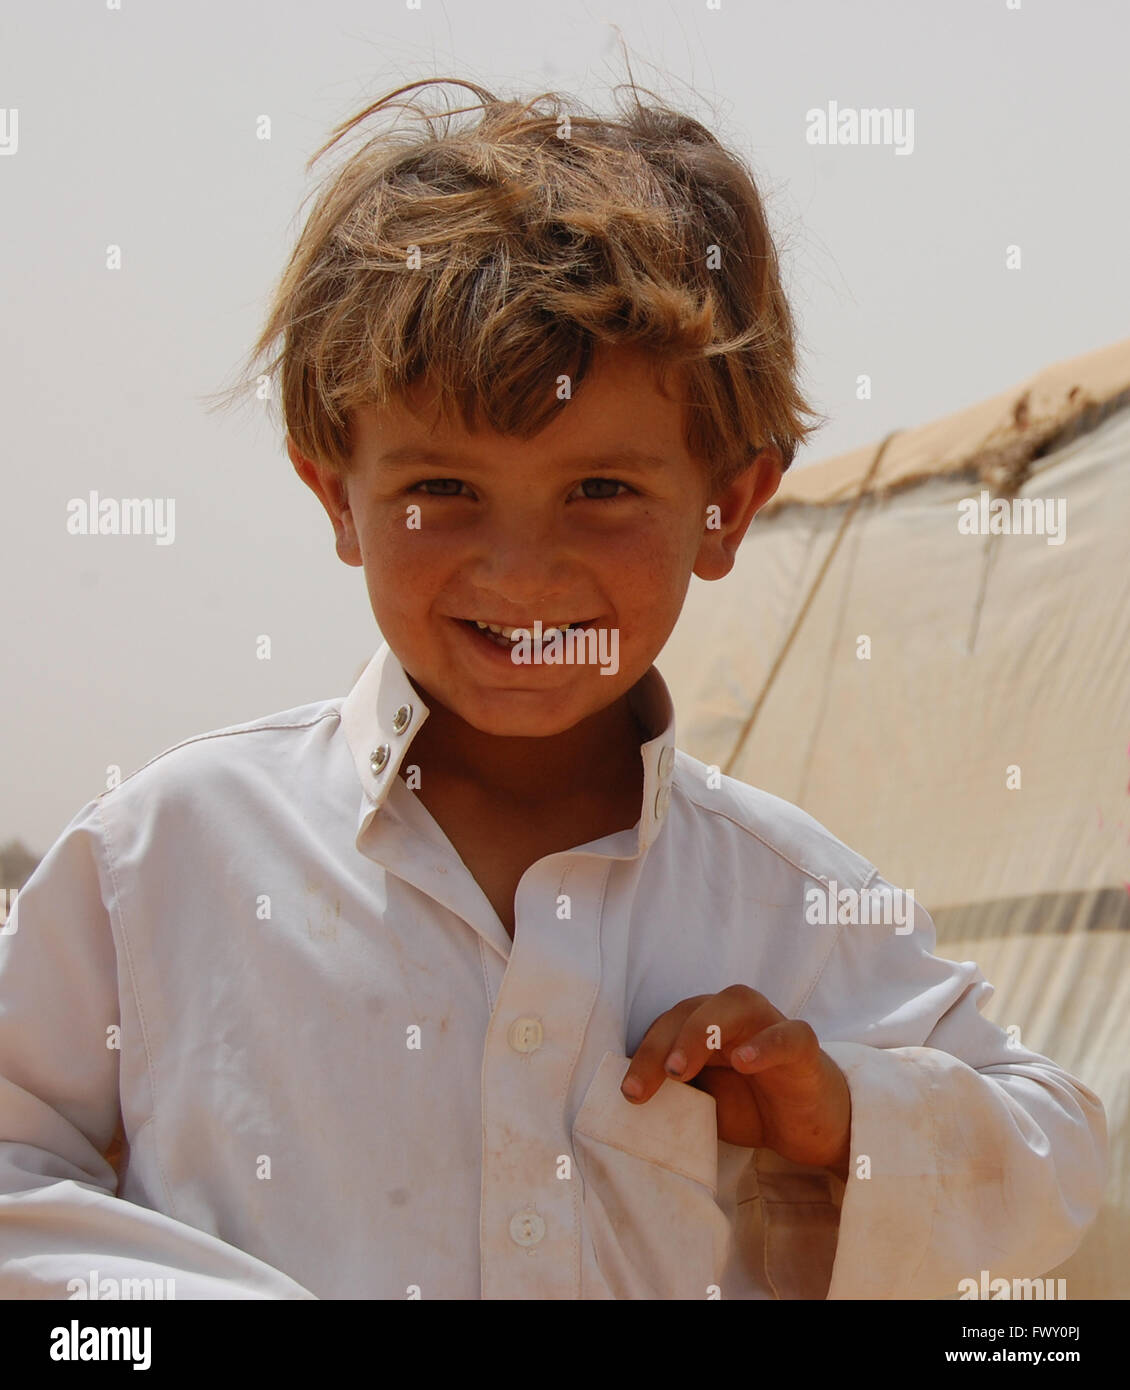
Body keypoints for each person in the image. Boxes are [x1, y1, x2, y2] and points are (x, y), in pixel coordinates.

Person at [0, 77, 1106, 1300]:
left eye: (601, 492)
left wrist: (839, 1110)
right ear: (337, 499)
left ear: (724, 507)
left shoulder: (794, 903)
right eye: (444, 491)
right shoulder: (165, 858)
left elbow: (1054, 1161)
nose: (520, 576)